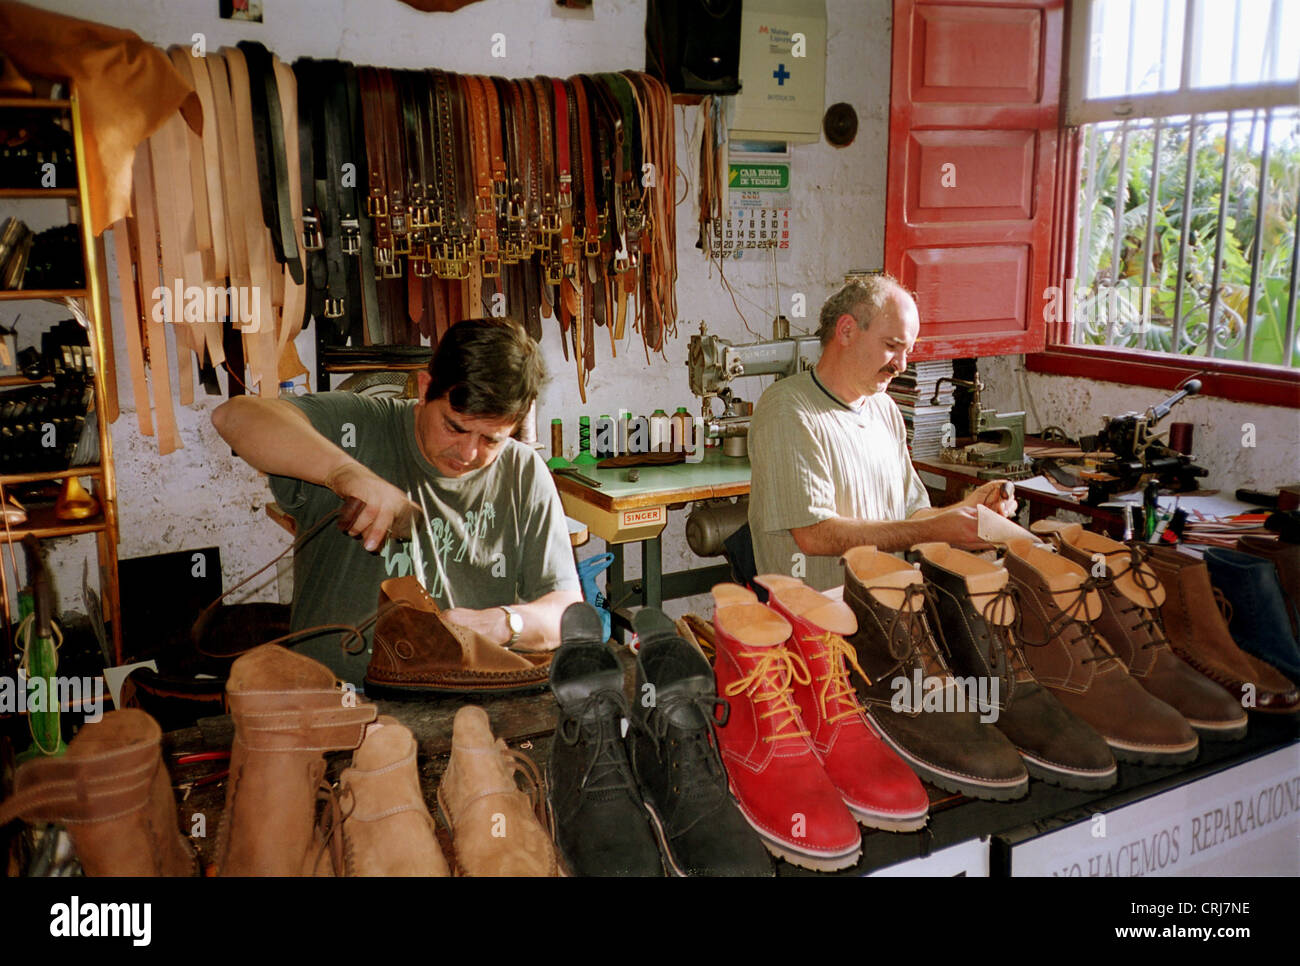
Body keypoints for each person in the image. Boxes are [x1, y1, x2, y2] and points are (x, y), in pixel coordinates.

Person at [212, 318, 582, 682]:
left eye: (491, 440)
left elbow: (565, 612)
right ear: (424, 388)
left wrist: (505, 623)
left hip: (459, 699)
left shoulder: (522, 472)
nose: (468, 453)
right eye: (454, 427)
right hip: (338, 702)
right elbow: (234, 415)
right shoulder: (357, 428)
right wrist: (346, 474)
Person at [747, 275, 1018, 591]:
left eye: (908, 351)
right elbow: (814, 534)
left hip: (887, 610)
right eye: (892, 346)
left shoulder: (885, 409)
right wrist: (936, 530)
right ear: (847, 331)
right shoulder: (788, 409)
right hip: (816, 618)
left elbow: (912, 516)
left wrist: (969, 512)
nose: (901, 365)